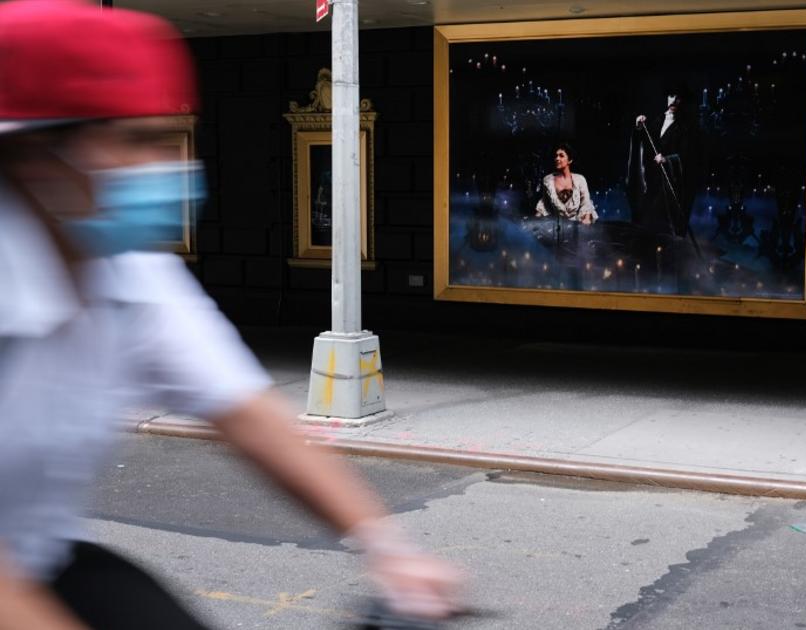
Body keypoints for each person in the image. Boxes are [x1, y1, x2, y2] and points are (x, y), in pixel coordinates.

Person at [0, 2, 460, 628]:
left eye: (170, 139)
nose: (168, 167)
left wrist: (388, 547)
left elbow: (249, 414)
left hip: (39, 553)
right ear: (36, 160)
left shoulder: (132, 273)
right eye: (134, 143)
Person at [627, 89, 697, 238]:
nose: (674, 100)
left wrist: (667, 159)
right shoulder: (657, 120)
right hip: (652, 181)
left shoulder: (685, 127)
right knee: (645, 220)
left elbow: (687, 157)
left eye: (678, 98)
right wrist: (639, 127)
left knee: (664, 225)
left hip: (671, 184)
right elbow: (644, 144)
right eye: (671, 96)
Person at [534, 143, 597, 224]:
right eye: (556, 156)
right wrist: (534, 221)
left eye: (561, 156)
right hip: (556, 225)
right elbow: (544, 203)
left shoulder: (580, 179)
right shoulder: (548, 180)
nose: (557, 158)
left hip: (577, 224)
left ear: (569, 160)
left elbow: (586, 202)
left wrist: (586, 219)